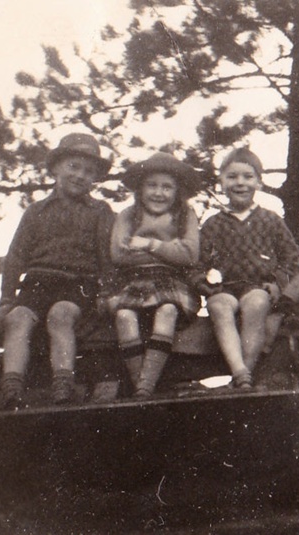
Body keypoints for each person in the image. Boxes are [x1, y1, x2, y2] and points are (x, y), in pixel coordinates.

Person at [0, 133, 114, 410]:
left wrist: (107, 292)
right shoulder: (35, 212)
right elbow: (16, 257)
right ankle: (11, 387)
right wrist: (7, 299)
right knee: (18, 318)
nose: (80, 175)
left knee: (61, 315)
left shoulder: (100, 212)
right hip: (37, 282)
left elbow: (107, 257)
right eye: (73, 167)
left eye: (89, 171)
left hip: (78, 285)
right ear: (56, 167)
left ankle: (63, 385)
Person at [198, 147, 299, 388]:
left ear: (259, 183)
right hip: (227, 288)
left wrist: (278, 283)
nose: (240, 183)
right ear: (221, 182)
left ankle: (243, 375)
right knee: (219, 306)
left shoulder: (271, 220)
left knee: (256, 303)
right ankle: (240, 370)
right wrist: (206, 285)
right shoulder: (213, 224)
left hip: (258, 287)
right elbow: (197, 263)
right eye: (232, 177)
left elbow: (291, 258)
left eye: (247, 176)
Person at [105, 152, 201, 397]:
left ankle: (147, 383)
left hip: (171, 281)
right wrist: (171, 250)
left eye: (167, 187)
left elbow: (189, 255)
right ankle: (141, 385)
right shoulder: (128, 215)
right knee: (124, 315)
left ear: (177, 191)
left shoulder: (185, 215)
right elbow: (119, 254)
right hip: (133, 281)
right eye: (152, 185)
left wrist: (149, 245)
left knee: (167, 310)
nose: (159, 193)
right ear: (140, 188)